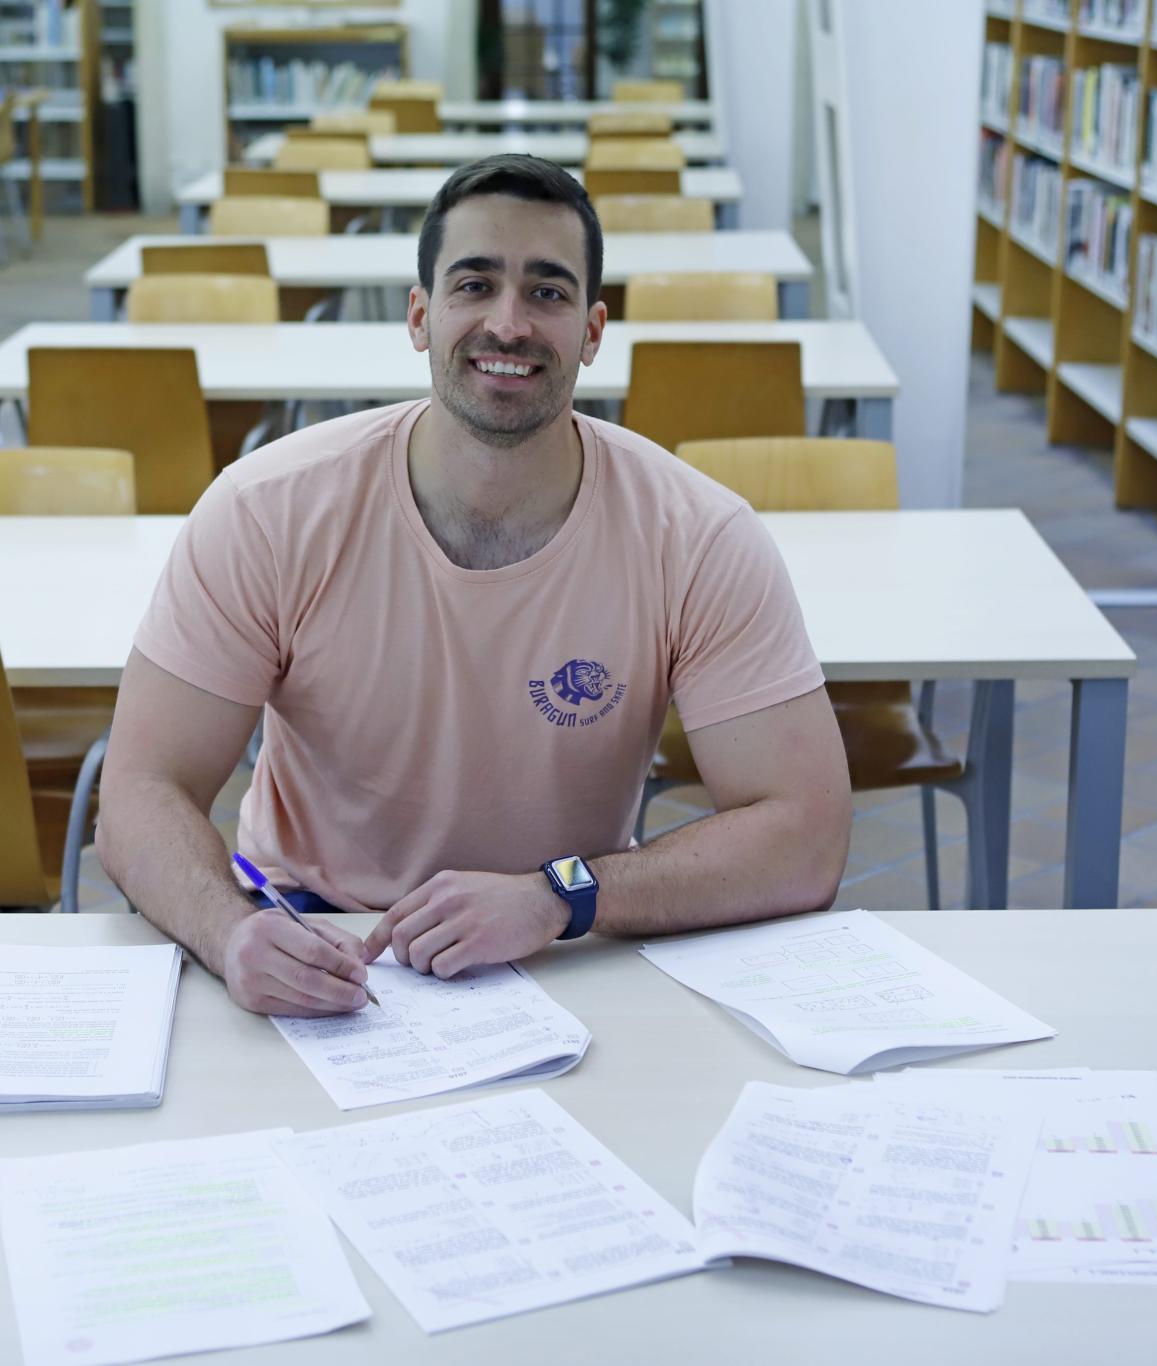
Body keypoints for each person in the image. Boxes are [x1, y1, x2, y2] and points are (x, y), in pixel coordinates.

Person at [97, 154, 852, 1018]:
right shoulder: (267, 509)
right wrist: (228, 931)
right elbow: (138, 792)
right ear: (420, 316)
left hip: (566, 942)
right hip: (317, 939)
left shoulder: (697, 534)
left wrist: (556, 895)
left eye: (548, 292)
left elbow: (806, 832)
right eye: (474, 284)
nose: (509, 323)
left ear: (594, 332)